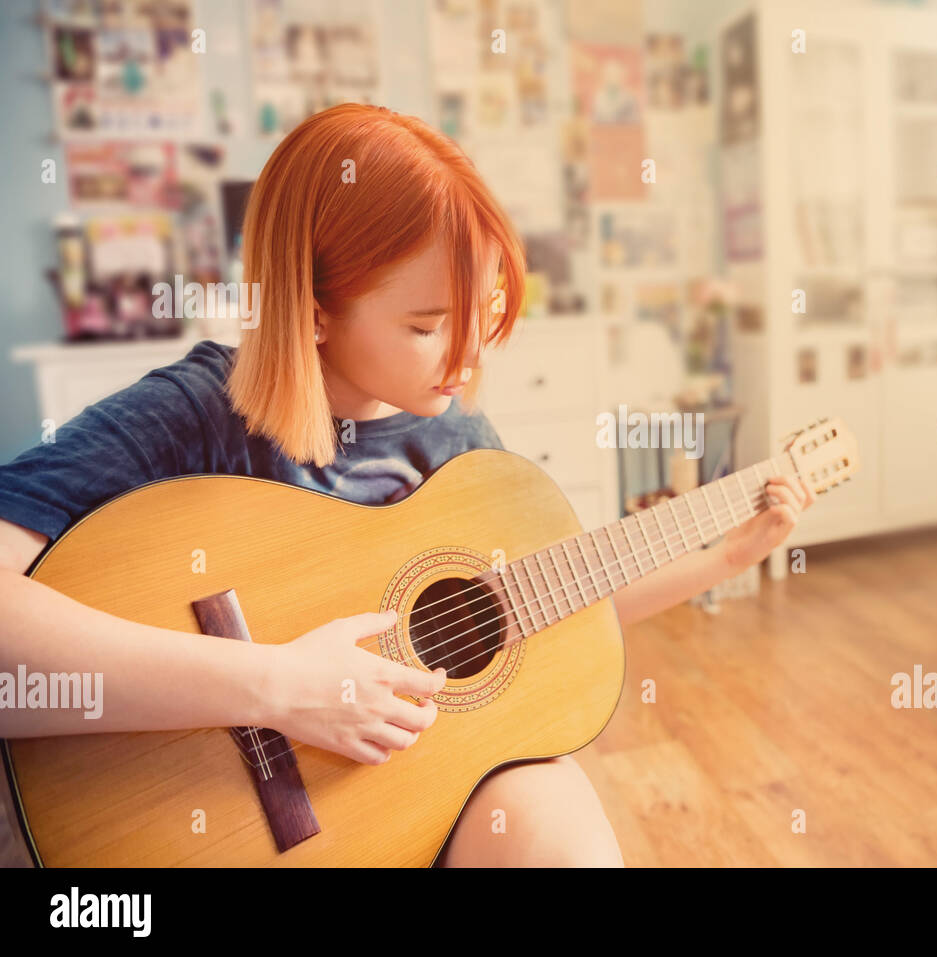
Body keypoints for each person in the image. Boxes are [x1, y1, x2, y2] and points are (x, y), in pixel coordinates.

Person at [0, 104, 816, 867]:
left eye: (481, 312)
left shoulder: (460, 445)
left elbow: (545, 608)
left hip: (418, 794)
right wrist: (280, 687)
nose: (466, 354)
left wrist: (724, 555)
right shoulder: (194, 412)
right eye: (427, 326)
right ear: (314, 307)